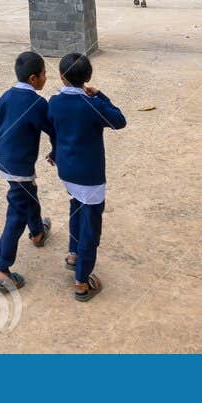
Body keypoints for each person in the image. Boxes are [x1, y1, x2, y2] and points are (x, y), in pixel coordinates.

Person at [48, 53, 127, 302]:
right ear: (88, 78)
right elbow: (119, 121)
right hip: (90, 175)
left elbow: (55, 130)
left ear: (61, 77)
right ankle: (82, 282)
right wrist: (100, 95)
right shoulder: (93, 106)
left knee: (75, 207)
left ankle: (73, 254)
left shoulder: (54, 102)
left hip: (67, 171)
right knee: (90, 227)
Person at [0, 51, 54, 294]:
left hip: (6, 162)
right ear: (34, 78)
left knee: (28, 197)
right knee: (16, 216)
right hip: (21, 168)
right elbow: (53, 130)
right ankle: (2, 271)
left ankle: (37, 233)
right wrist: (56, 152)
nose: (46, 78)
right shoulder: (37, 103)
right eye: (45, 74)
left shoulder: (6, 97)